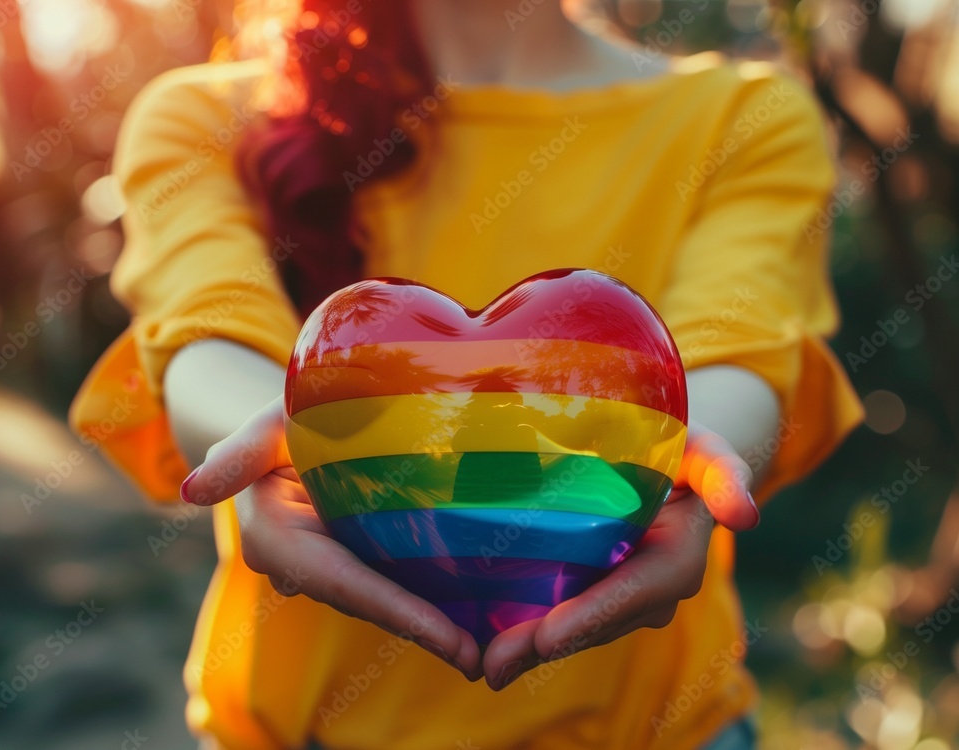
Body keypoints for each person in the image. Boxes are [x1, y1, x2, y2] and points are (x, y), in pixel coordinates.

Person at [71, 1, 864, 748]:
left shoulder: (746, 119)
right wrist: (281, 449)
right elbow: (208, 343)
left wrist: (687, 468)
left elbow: (737, 359)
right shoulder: (202, 119)